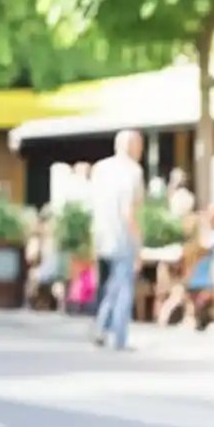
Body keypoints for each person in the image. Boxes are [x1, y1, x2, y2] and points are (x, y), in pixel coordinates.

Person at [89, 130, 145, 351]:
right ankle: (119, 337)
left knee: (111, 284)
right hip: (122, 236)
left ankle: (101, 327)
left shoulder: (100, 169)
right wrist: (138, 242)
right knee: (123, 288)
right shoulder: (133, 172)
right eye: (139, 145)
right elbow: (129, 211)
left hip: (102, 235)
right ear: (132, 146)